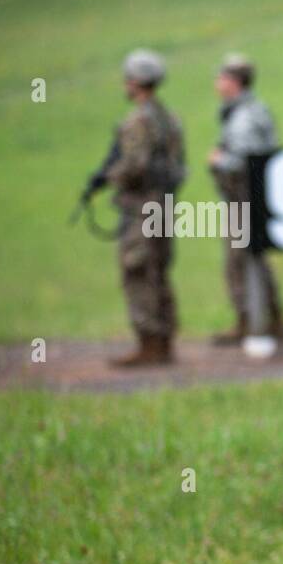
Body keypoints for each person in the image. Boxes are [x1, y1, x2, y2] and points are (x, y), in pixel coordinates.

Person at [92, 49, 184, 367]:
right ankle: (164, 340)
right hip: (164, 203)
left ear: (135, 82)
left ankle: (150, 343)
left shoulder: (138, 120)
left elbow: (134, 164)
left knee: (138, 270)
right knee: (158, 269)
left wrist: (108, 178)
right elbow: (177, 165)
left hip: (141, 207)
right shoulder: (169, 119)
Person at [208, 53, 283, 344]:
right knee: (250, 261)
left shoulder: (244, 116)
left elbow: (244, 161)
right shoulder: (249, 111)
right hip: (249, 200)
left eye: (221, 78)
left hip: (244, 201)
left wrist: (219, 160)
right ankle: (263, 320)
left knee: (241, 262)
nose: (217, 83)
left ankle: (255, 322)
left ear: (233, 81)